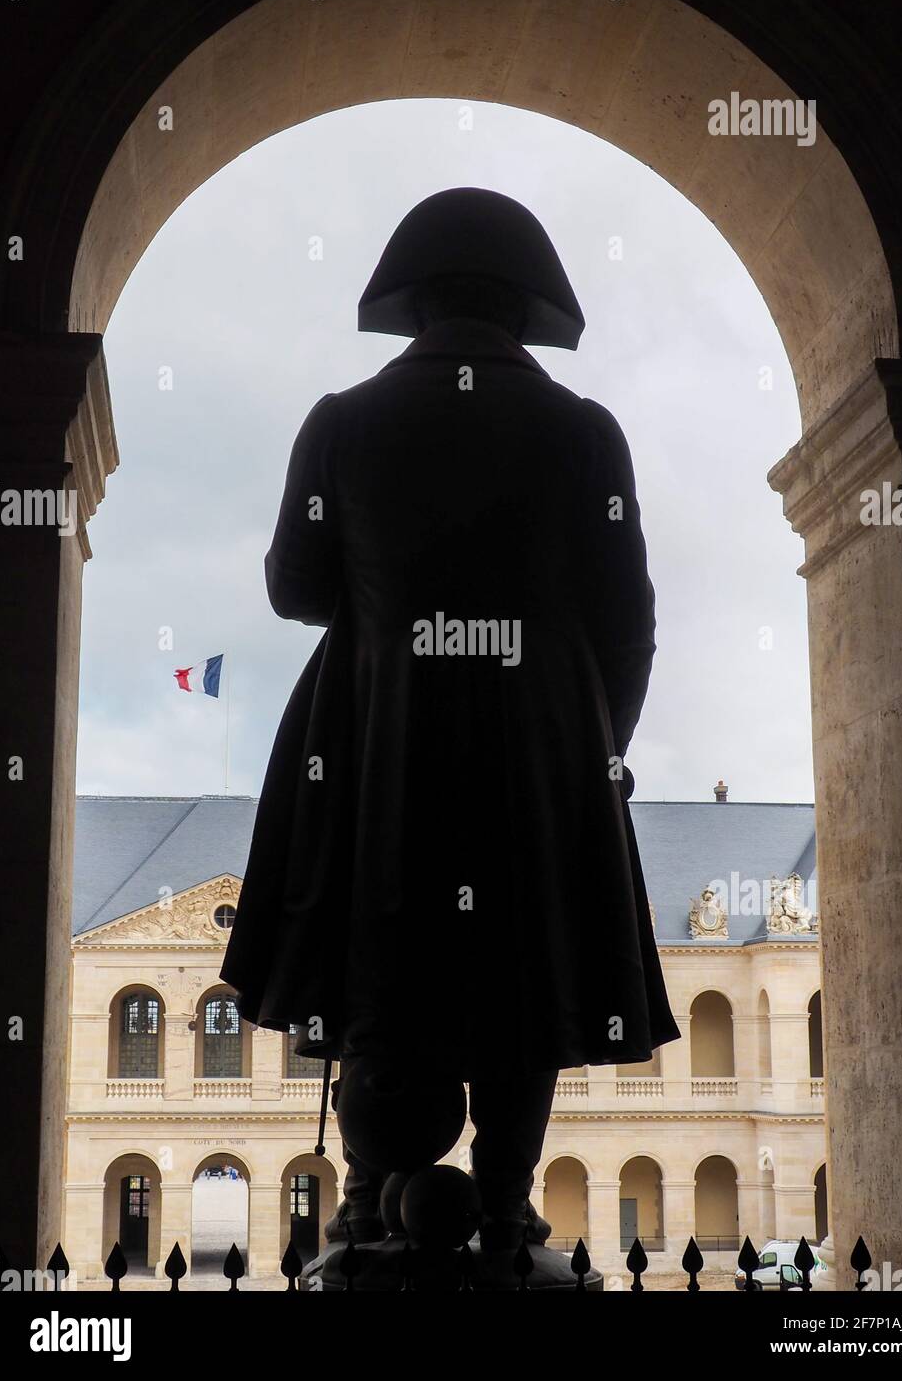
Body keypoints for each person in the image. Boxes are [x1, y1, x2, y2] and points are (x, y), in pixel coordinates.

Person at [220, 187, 680, 1251]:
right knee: (527, 968)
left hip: (380, 737)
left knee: (381, 954)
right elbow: (629, 620)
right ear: (527, 311)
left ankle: (368, 1193)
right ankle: (509, 1203)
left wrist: (392, 596)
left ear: (415, 303)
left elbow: (295, 587)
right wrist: (595, 749)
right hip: (541, 745)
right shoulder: (585, 432)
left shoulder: (342, 421)